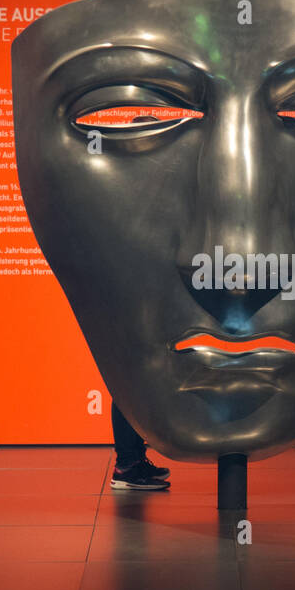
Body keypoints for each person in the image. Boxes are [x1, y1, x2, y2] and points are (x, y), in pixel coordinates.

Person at [108, 112, 172, 491]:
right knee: (128, 382)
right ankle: (128, 465)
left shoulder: (138, 182)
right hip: (130, 296)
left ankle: (133, 459)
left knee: (135, 379)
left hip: (139, 294)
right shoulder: (129, 184)